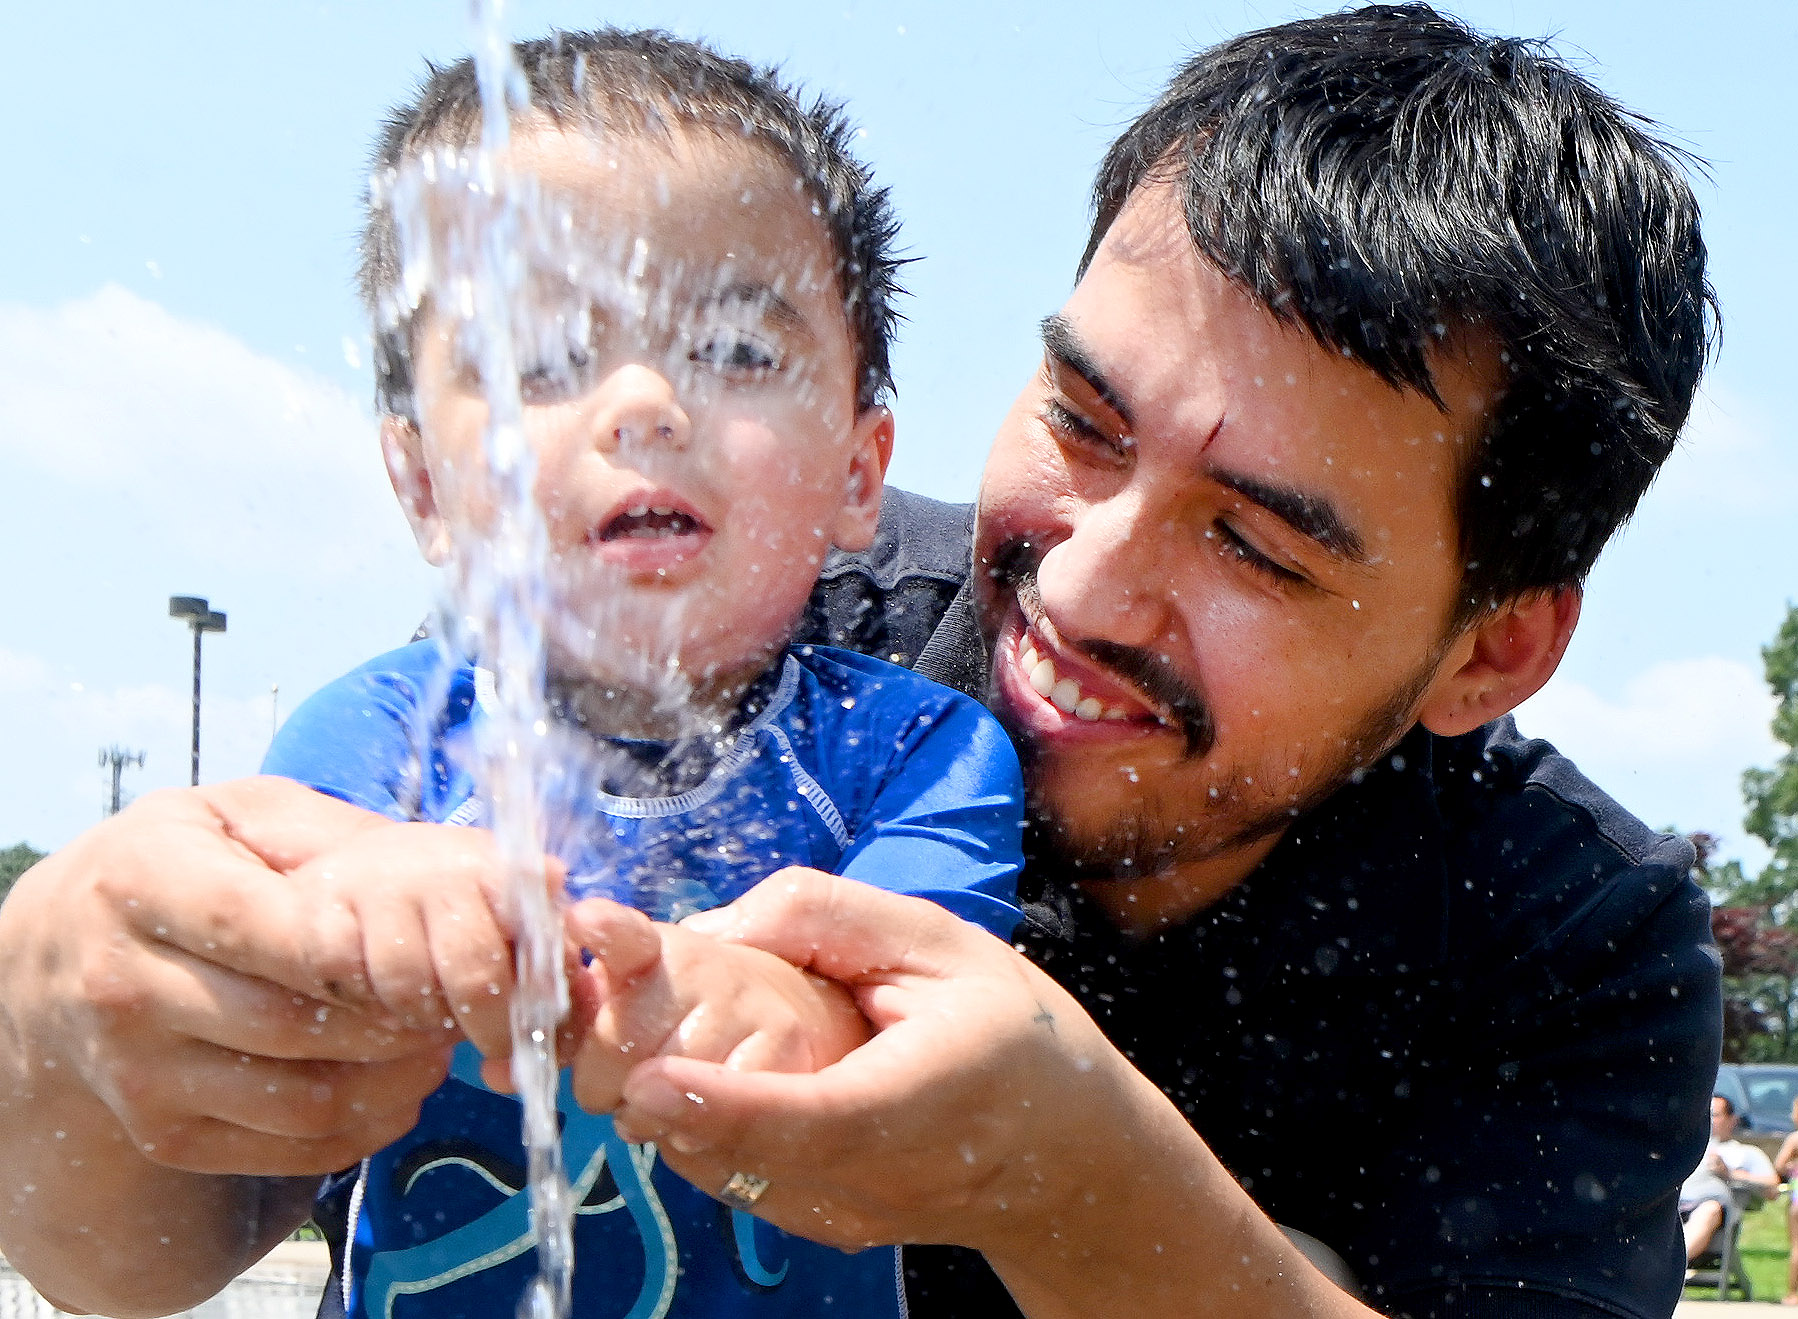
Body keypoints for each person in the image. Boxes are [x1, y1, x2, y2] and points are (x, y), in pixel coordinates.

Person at [0, 6, 1722, 1319]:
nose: (1081, 584)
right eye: (1082, 420)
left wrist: (1071, 1181)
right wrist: (51, 1018)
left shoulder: (1569, 935)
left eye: (1256, 545)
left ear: (1490, 647)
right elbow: (122, 1251)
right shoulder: (732, 603)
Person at [0, 27, 1024, 1319]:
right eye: (539, 360)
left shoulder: (918, 751)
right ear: (424, 484)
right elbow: (199, 1183)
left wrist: (784, 1005)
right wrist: (344, 933)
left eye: (736, 350)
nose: (643, 402)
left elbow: (922, 1058)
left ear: (859, 473)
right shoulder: (373, 747)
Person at [1681, 1095, 1778, 1262]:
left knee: (1709, 1209)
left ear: (1732, 1120)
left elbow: (1773, 1189)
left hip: (1711, 1211)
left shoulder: (1746, 1153)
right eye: (1704, 1114)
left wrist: (1729, 1174)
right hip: (1675, 1207)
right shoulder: (1685, 1149)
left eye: (1714, 1115)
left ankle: (1668, 1265)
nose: (1708, 1120)